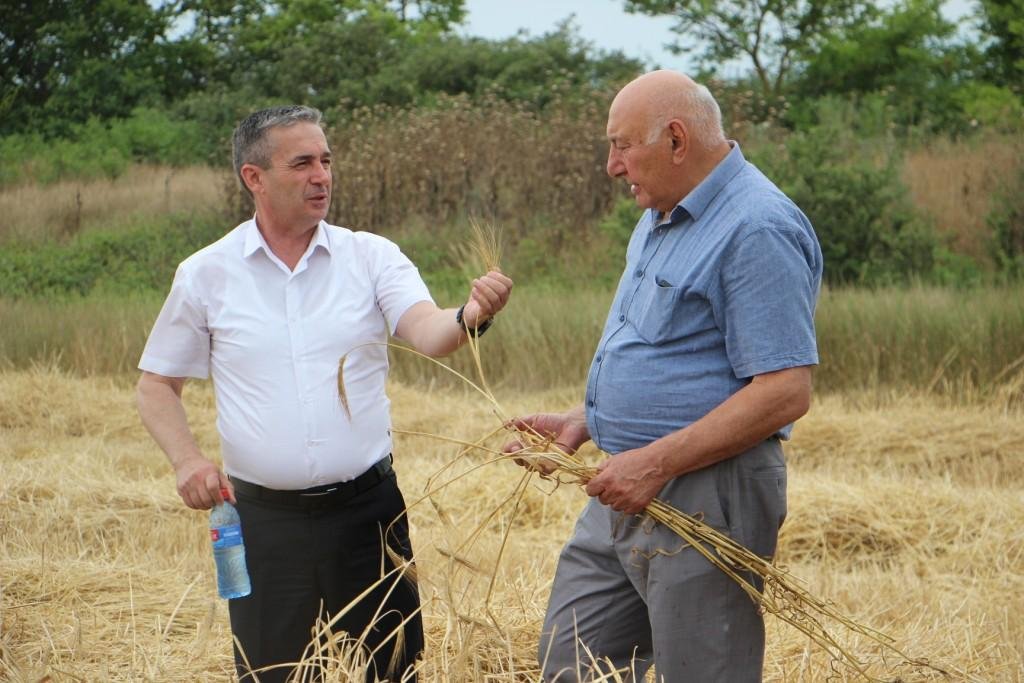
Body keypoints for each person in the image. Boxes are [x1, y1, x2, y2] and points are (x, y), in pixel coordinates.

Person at [136, 105, 512, 682]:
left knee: (391, 670)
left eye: (327, 160)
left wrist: (471, 314)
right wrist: (186, 460)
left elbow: (429, 332)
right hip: (261, 524)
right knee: (272, 673)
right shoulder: (206, 273)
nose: (322, 176)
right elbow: (158, 384)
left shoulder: (371, 256)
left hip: (369, 518)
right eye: (303, 162)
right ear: (253, 177)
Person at [506, 71, 823, 681]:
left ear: (676, 140)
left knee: (701, 671)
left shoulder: (756, 227)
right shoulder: (660, 211)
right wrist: (584, 420)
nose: (611, 165)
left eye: (621, 145)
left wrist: (656, 463)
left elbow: (785, 391)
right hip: (621, 484)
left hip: (704, 495)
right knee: (575, 662)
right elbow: (669, 349)